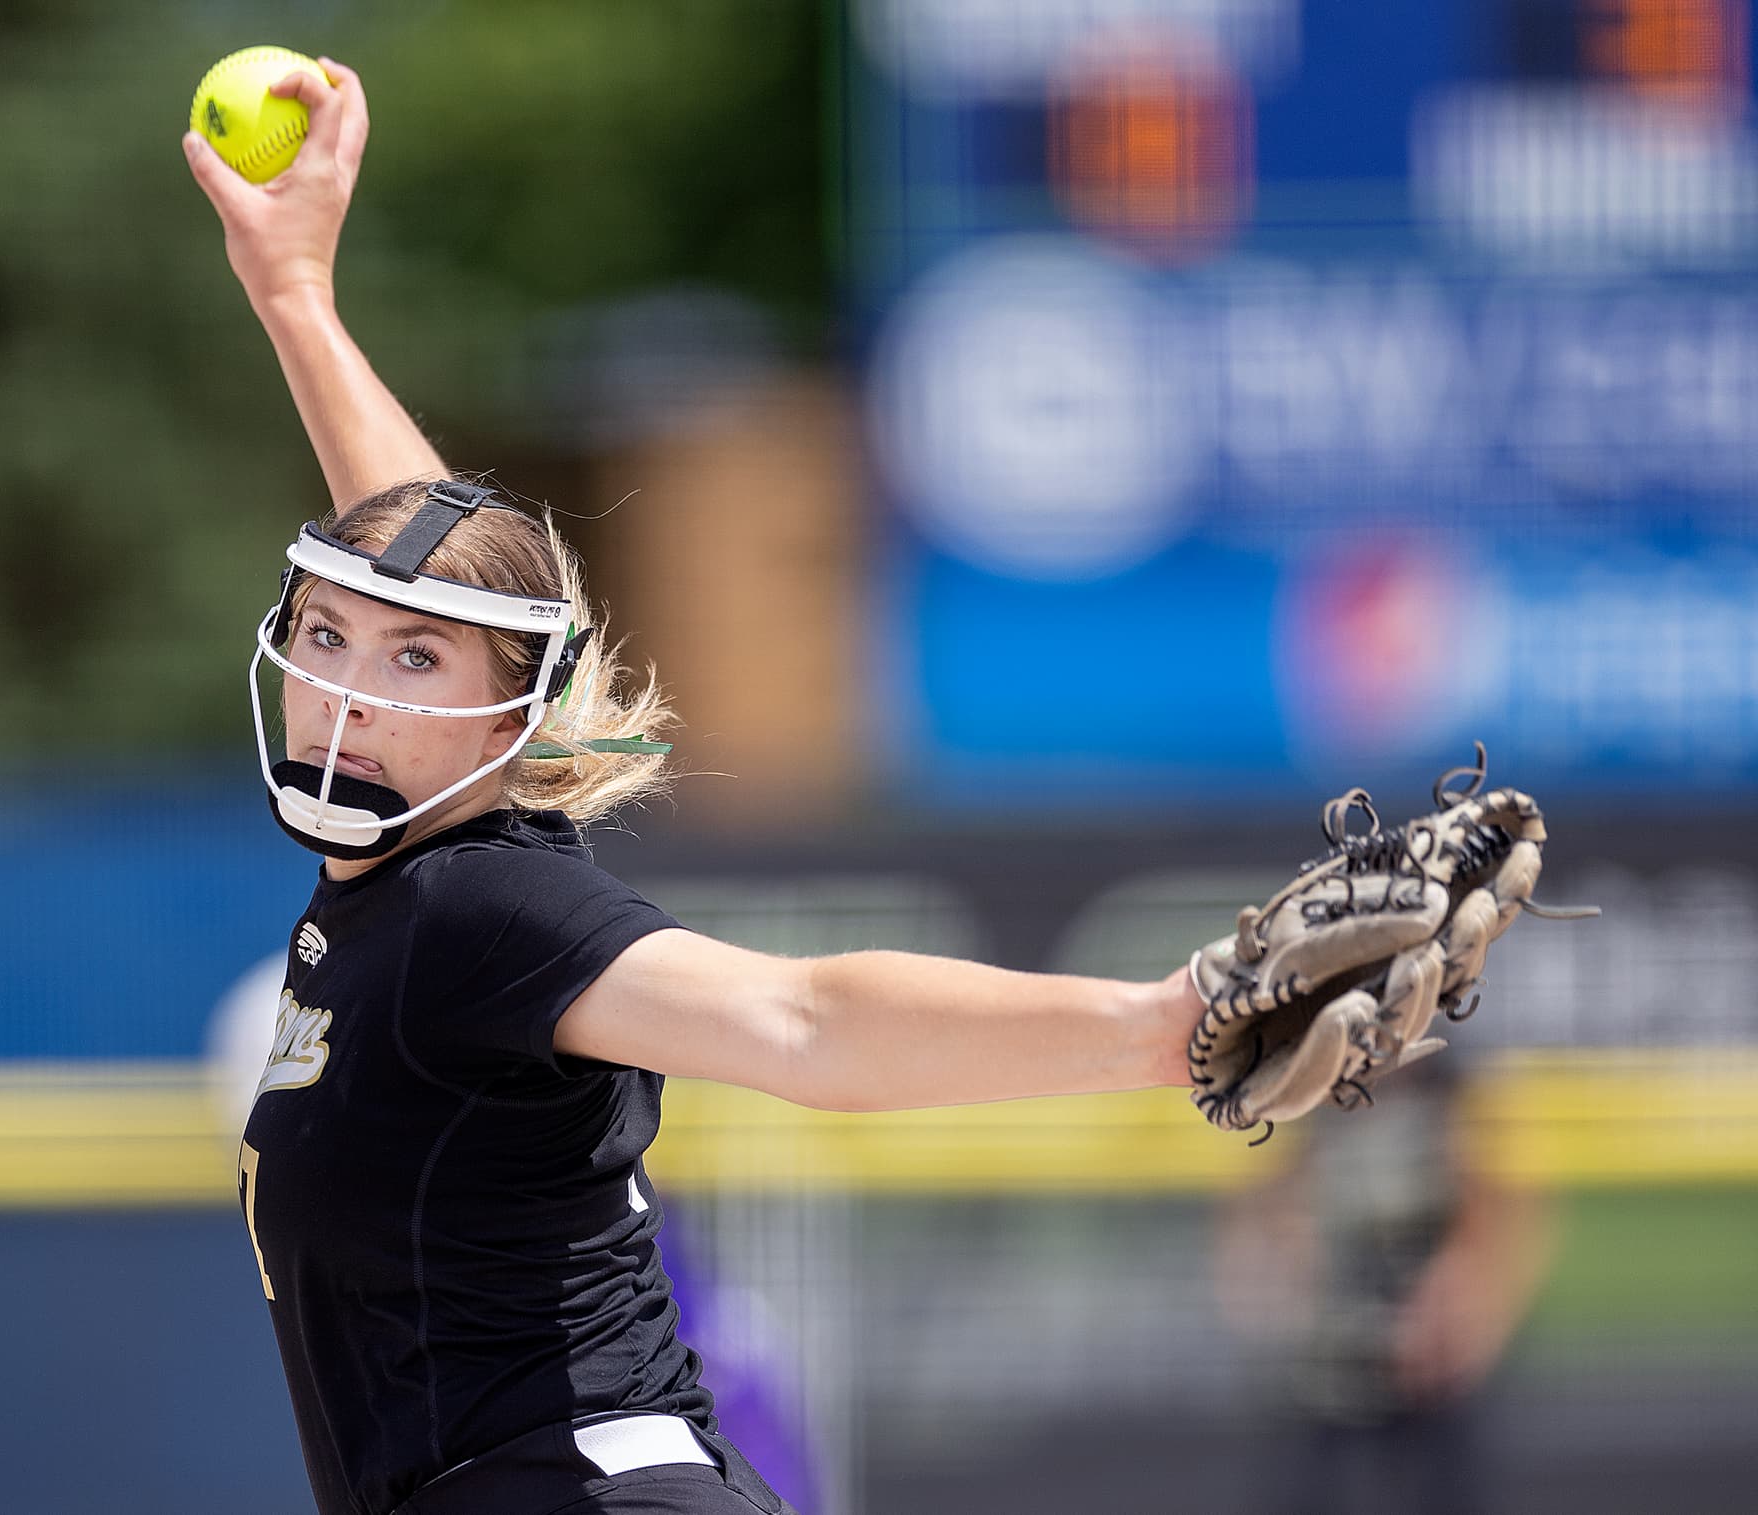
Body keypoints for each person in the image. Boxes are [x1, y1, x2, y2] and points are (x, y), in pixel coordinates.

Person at [184, 58, 1208, 1515]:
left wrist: (1161, 1026)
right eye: (331, 634)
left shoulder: (489, 903)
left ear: (507, 722)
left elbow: (800, 1019)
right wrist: (294, 293)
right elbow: (433, 565)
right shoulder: (413, 880)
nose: (350, 685)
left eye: (414, 663)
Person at [1212, 1055, 1554, 1515]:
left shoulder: (1454, 1088)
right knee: (1303, 1482)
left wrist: (1468, 1295)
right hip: (1329, 1343)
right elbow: (1258, 1213)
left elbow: (1507, 1214)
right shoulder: (1302, 1084)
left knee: (1449, 1482)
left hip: (1434, 1346)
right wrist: (1278, 1258)